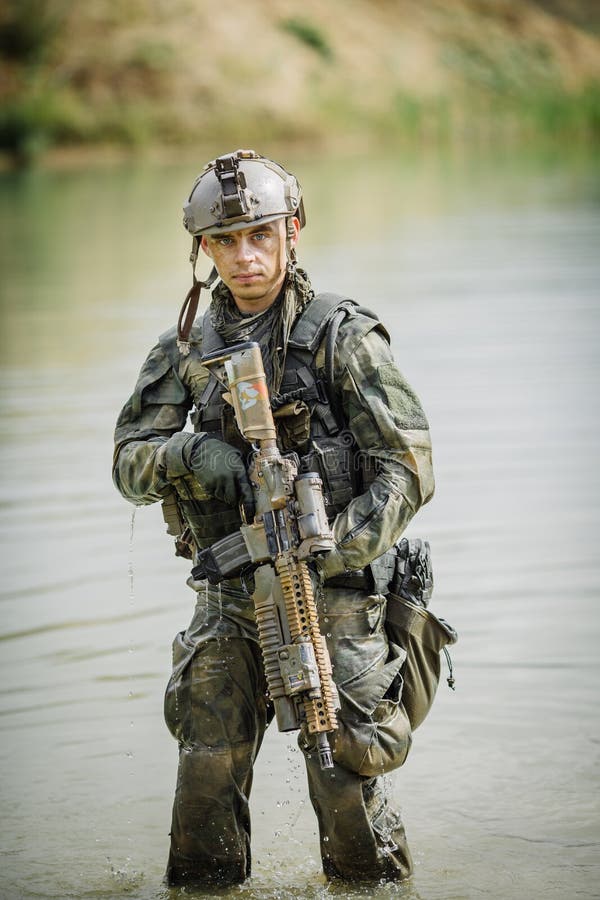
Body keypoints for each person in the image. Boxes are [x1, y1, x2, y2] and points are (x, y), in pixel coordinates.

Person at [112, 149, 435, 887]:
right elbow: (128, 463)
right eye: (224, 241)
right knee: (204, 790)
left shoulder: (342, 339)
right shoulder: (186, 349)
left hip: (336, 597)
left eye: (260, 235)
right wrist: (187, 453)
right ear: (203, 249)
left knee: (346, 785)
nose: (245, 256)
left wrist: (329, 551)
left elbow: (409, 470)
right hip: (228, 597)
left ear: (294, 232)